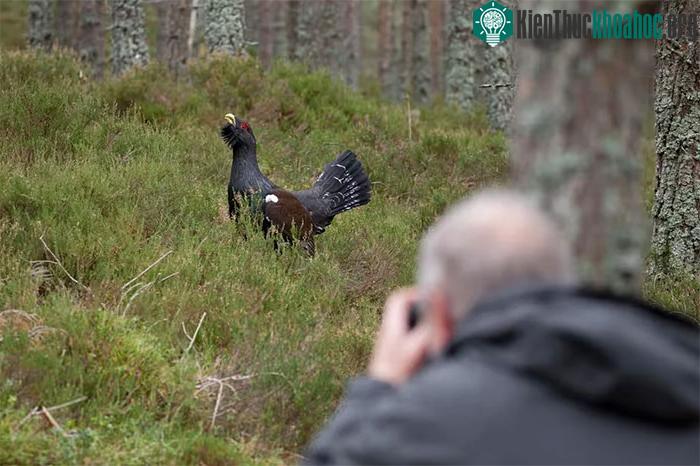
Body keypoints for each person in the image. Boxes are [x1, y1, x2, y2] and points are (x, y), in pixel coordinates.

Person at [303, 189, 700, 465]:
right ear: (562, 281)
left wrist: (379, 386)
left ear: (435, 312)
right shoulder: (683, 375)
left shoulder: (429, 423)